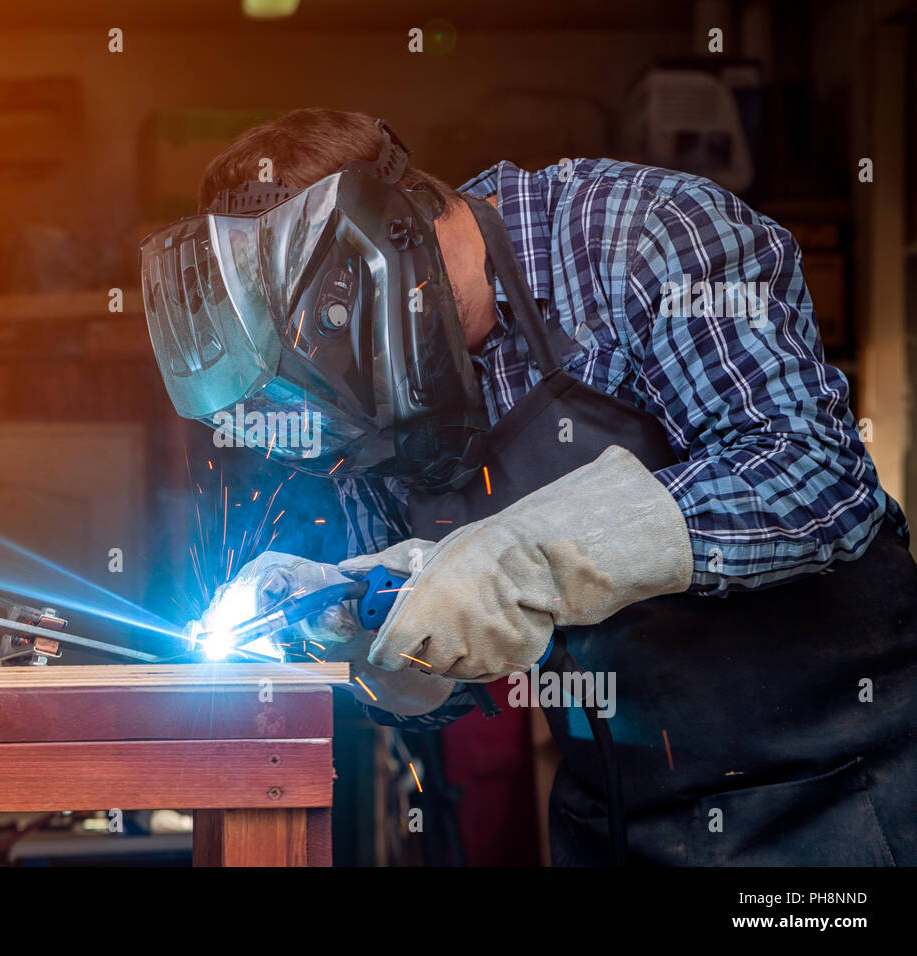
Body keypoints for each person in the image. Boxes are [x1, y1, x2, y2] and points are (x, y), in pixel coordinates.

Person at [139, 107, 917, 865]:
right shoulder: (363, 408)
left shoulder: (639, 235)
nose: (338, 412)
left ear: (387, 246)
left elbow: (812, 475)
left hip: (838, 798)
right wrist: (369, 639)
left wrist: (532, 557)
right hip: (615, 814)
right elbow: (453, 671)